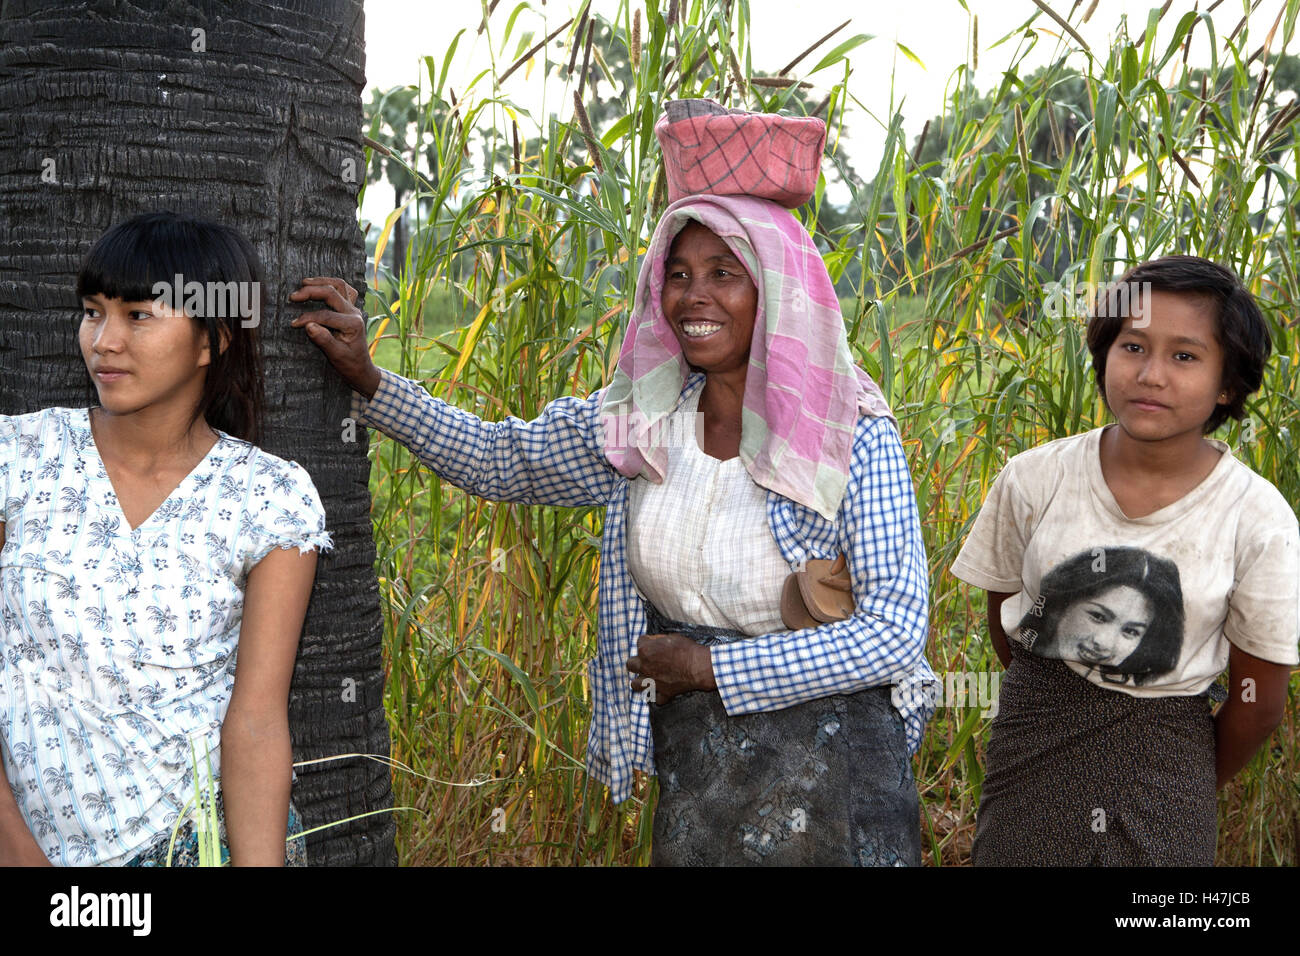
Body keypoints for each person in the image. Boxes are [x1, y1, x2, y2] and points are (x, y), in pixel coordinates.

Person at [291, 100, 937, 865]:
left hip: (838, 774)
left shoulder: (849, 433)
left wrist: (710, 668)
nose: (694, 296)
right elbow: (503, 459)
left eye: (725, 274)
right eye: (679, 275)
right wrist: (371, 381)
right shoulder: (645, 423)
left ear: (780, 293)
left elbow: (895, 632)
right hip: (700, 760)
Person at [0, 212, 331, 866]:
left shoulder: (268, 498)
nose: (104, 340)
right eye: (93, 312)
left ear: (211, 341)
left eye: (138, 315)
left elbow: (257, 721)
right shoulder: (18, 460)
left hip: (194, 842)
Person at [951, 255, 1299, 866]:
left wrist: (1184, 777)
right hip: (1032, 744)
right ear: (1104, 355)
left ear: (1227, 383)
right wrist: (1051, 696)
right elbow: (1008, 613)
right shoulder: (1035, 479)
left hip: (1167, 765)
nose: (1152, 374)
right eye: (1133, 346)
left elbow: (1257, 699)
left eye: (1185, 356)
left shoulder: (1257, 519)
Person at [1019, 546, 1183, 686]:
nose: (1104, 642)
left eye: (1131, 631)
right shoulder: (1025, 677)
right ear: (1062, 604)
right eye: (1098, 616)